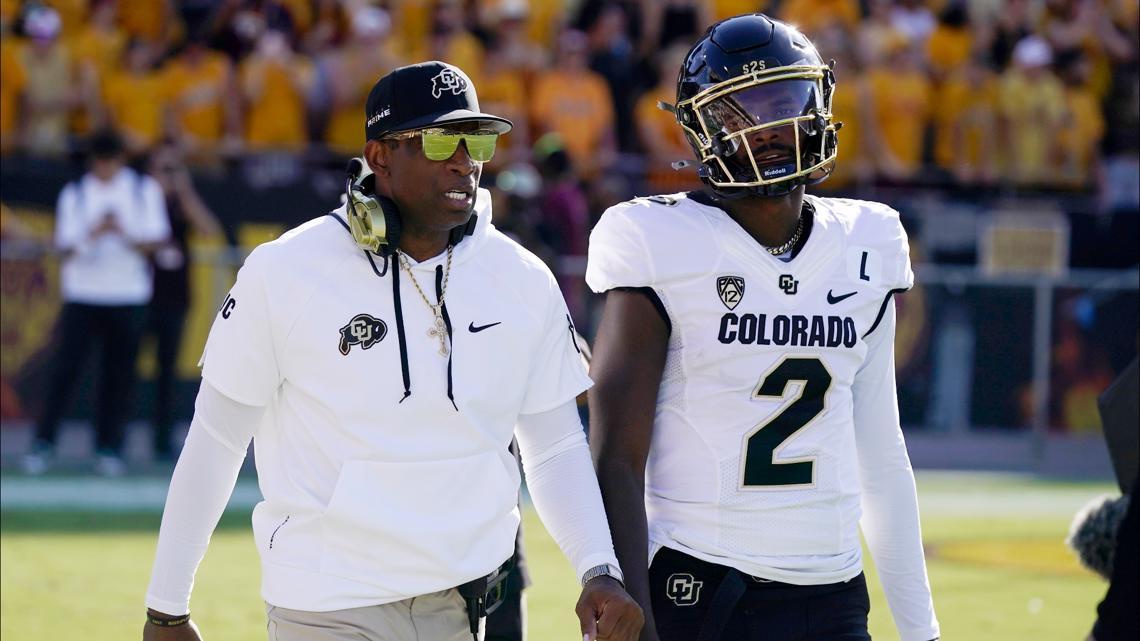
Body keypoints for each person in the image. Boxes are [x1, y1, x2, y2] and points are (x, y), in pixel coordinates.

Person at [142, 61, 643, 641]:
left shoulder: (523, 277)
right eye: (438, 139)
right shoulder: (285, 270)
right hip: (324, 605)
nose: (465, 159)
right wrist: (166, 608)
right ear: (379, 156)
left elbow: (554, 446)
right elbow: (217, 438)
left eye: (475, 138)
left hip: (462, 607)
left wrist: (598, 569)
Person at [586, 14, 940, 641]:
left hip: (834, 590)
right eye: (742, 111)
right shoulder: (657, 237)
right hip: (702, 583)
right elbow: (617, 454)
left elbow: (881, 454)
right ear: (703, 128)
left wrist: (921, 631)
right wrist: (633, 613)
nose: (770, 128)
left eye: (785, 102)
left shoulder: (871, 238)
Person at [23, 128, 170, 477]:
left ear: (120, 160)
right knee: (65, 371)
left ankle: (109, 448)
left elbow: (156, 241)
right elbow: (63, 247)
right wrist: (95, 232)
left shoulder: (141, 190)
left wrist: (124, 233)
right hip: (83, 295)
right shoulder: (76, 193)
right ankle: (43, 444)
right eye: (99, 162)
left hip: (127, 295)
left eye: (110, 161)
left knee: (118, 375)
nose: (104, 168)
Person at [145, 140, 223, 461]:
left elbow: (209, 229)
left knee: (168, 370)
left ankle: (162, 441)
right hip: (140, 293)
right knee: (123, 366)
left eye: (174, 168)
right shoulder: (141, 199)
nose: (170, 175)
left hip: (175, 295)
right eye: (165, 169)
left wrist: (184, 190)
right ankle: (113, 442)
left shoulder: (181, 202)